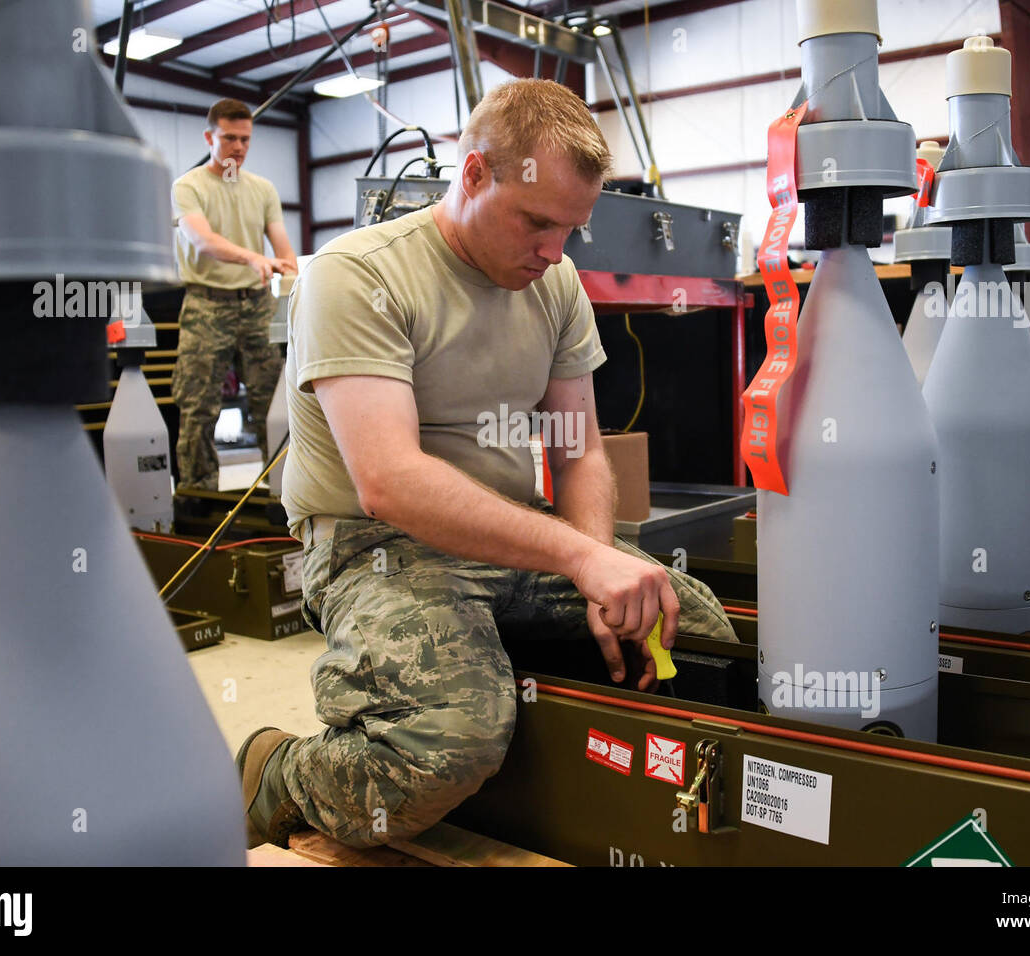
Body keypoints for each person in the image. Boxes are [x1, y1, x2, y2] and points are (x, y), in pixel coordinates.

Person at [237, 79, 738, 850]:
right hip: (376, 551)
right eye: (536, 221)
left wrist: (597, 563)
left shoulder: (556, 283)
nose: (553, 251)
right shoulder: (357, 274)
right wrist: (579, 557)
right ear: (472, 174)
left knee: (693, 627)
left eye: (571, 229)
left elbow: (579, 453)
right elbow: (390, 483)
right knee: (453, 740)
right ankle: (279, 772)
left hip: (512, 541)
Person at [170, 98, 298, 490]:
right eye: (229, 138)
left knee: (274, 403)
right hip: (207, 304)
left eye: (245, 139)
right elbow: (203, 240)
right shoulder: (188, 187)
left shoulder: (262, 190)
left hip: (257, 306)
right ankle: (198, 492)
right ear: (210, 137)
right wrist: (252, 258)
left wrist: (295, 273)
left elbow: (284, 251)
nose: (238, 148)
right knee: (198, 404)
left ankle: (284, 490)